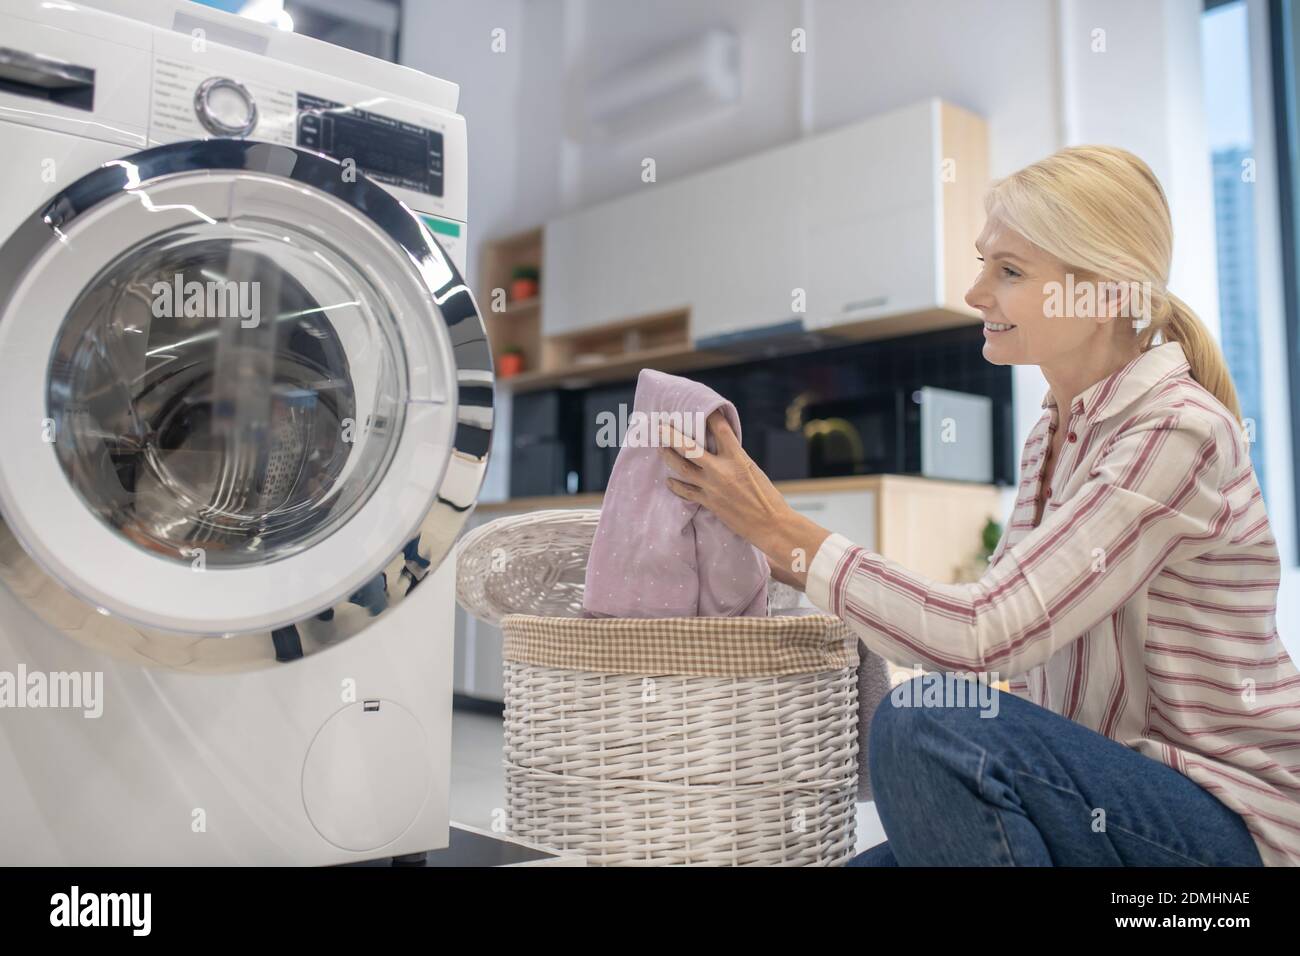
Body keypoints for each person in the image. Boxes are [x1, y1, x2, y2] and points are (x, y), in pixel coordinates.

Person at [658, 145, 1300, 866]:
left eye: (1010, 271)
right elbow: (999, 667)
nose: (975, 293)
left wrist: (785, 535)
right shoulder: (1051, 438)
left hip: (1228, 830)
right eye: (983, 262)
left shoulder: (1177, 432)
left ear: (1106, 294)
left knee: (928, 723)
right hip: (1103, 801)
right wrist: (768, 563)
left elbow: (987, 632)